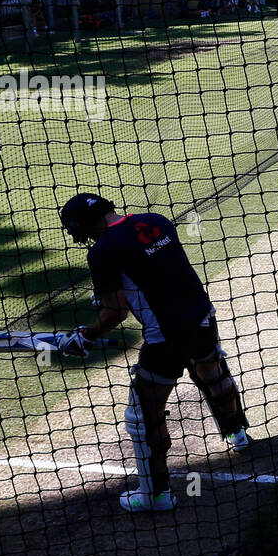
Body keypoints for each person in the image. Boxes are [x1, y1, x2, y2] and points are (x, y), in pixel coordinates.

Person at [56, 194, 250, 513]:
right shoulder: (156, 220)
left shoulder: (102, 250)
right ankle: (238, 436)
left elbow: (115, 313)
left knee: (143, 416)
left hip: (166, 338)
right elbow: (157, 271)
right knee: (212, 375)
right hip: (203, 318)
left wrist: (85, 336)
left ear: (80, 226)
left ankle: (155, 496)